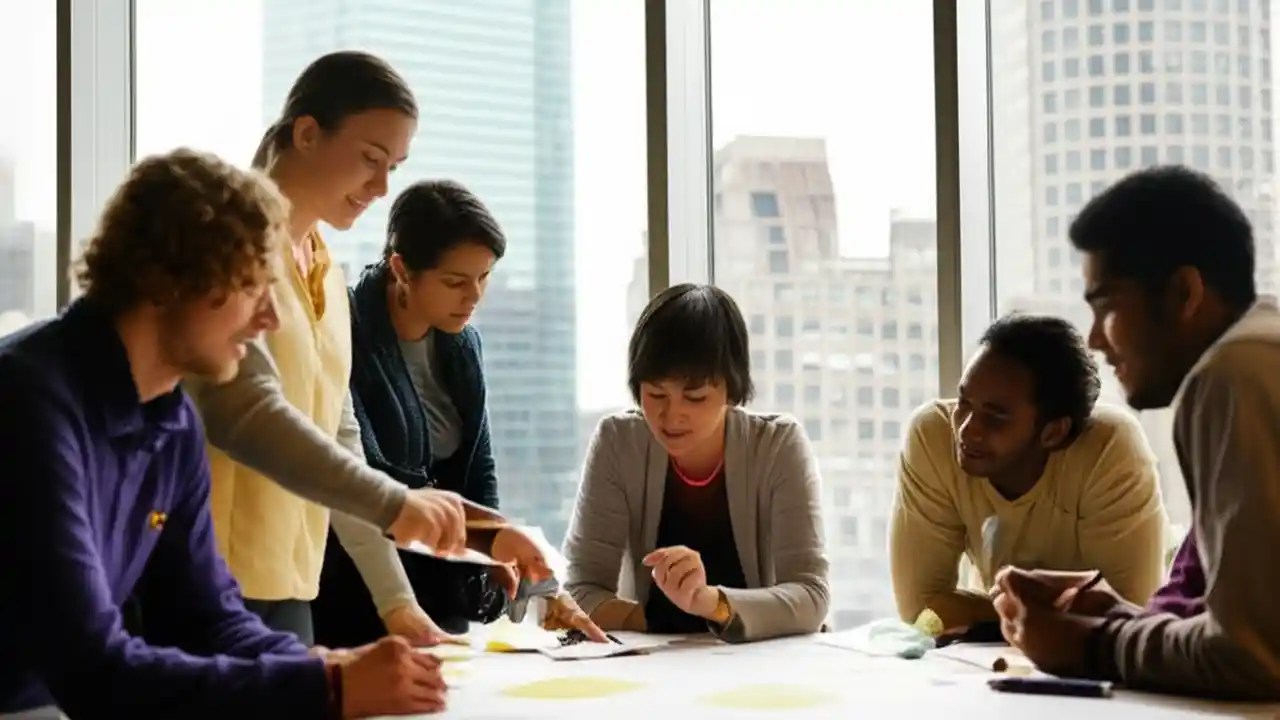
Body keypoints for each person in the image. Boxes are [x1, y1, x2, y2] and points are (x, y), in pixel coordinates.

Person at [0, 148, 447, 717]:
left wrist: (323, 666)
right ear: (164, 280)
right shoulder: (29, 405)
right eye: (251, 284)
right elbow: (94, 671)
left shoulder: (172, 415)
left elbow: (207, 616)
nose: (270, 318)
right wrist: (325, 690)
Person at [184, 51, 551, 646]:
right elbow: (245, 414)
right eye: (371, 159)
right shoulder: (223, 241)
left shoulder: (326, 270)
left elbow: (340, 440)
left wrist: (398, 604)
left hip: (292, 588)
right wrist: (402, 508)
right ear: (306, 133)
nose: (382, 188)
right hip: (207, 580)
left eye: (394, 167)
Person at [992, 166, 1280, 700]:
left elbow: (1252, 655)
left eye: (1106, 306)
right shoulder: (1260, 350)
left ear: (1184, 292)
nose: (1095, 339)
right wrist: (1116, 616)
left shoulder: (1233, 374)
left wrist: (1094, 643)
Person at [313, 179, 603, 645]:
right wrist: (487, 538)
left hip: (444, 584)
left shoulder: (462, 344)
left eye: (483, 278)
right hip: (358, 591)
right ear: (402, 269)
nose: (474, 296)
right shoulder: (343, 330)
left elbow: (478, 467)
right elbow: (364, 476)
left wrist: (499, 554)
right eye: (455, 282)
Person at [562, 283, 829, 643]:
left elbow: (812, 597)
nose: (672, 415)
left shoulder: (777, 446)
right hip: (649, 666)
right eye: (655, 394)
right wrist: (659, 620)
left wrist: (708, 604)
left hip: (762, 667)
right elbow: (578, 591)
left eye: (695, 397)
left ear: (732, 391)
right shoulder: (618, 442)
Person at [889, 314, 1166, 633]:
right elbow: (921, 612)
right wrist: (1051, 612)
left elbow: (1129, 618)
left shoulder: (1109, 448)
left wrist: (972, 609)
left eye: (995, 417)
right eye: (964, 402)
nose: (966, 430)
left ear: (1054, 432)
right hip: (989, 659)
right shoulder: (934, 437)